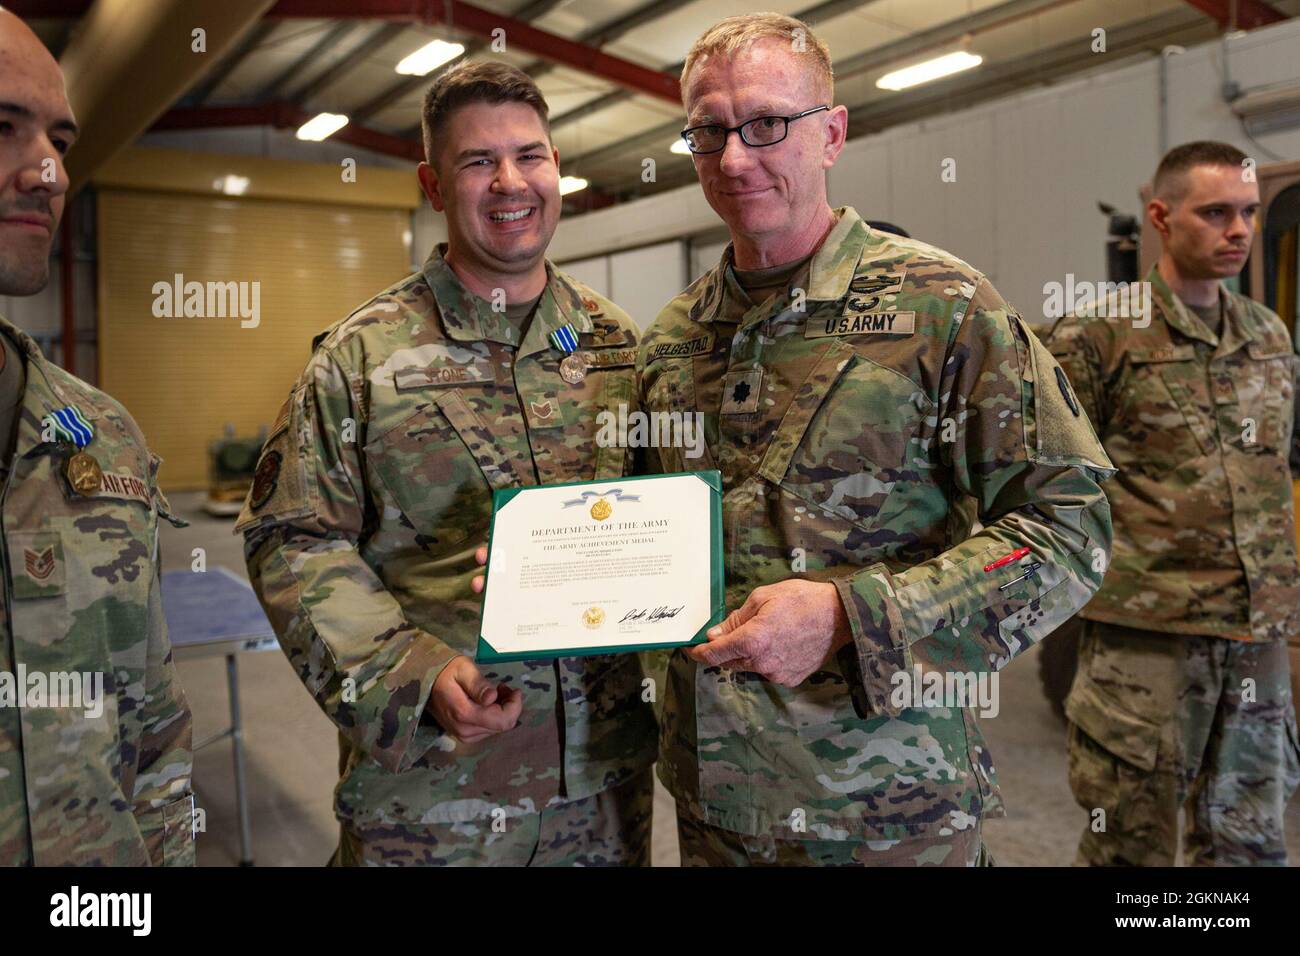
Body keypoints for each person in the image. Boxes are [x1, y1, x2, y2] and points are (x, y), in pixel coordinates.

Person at [638, 12, 1114, 866]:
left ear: (833, 133)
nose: (737, 157)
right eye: (709, 131)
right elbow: (645, 532)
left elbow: (1069, 530)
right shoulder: (676, 334)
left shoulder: (943, 306)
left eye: (767, 125)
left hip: (890, 810)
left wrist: (853, 617)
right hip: (718, 803)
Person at [238, 62, 655, 866]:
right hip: (435, 801)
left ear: (558, 167)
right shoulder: (362, 360)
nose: (511, 182)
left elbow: (665, 516)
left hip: (599, 790)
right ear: (434, 185)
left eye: (530, 156)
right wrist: (407, 671)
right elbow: (291, 537)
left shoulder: (618, 345)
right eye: (477, 162)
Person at [1046, 141, 1300, 866]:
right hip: (1144, 636)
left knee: (1249, 841)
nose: (1240, 230)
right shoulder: (1096, 338)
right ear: (1160, 217)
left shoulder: (1267, 336)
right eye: (1216, 212)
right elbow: (1053, 488)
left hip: (1256, 635)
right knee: (1130, 843)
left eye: (1249, 213)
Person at [0, 8, 195, 866]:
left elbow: (154, 738)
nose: (48, 172)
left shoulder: (98, 437)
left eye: (61, 142)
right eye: (1, 128)